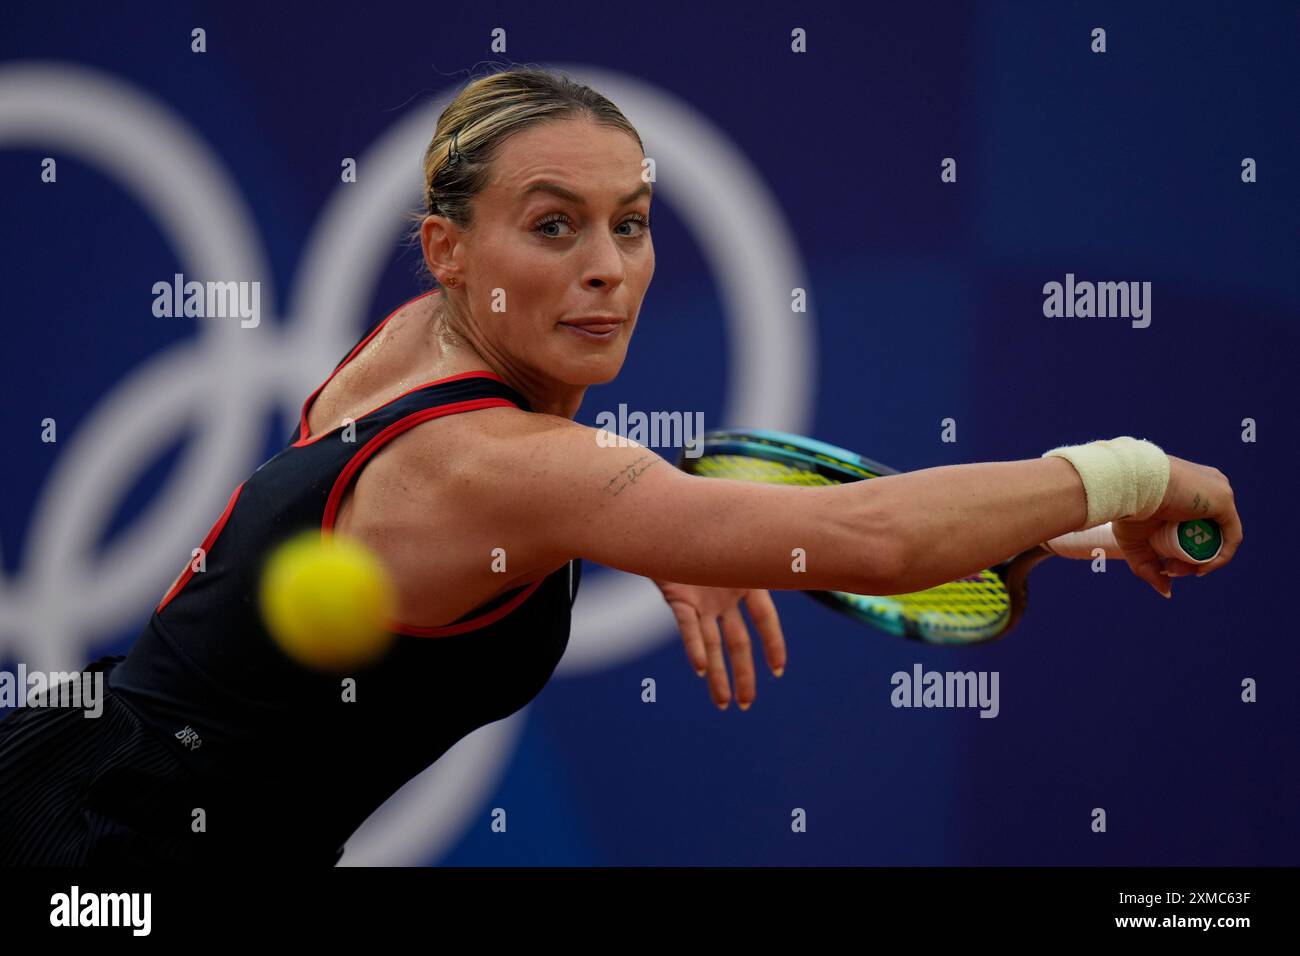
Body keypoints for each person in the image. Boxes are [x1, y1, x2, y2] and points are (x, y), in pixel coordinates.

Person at [0, 66, 1242, 866]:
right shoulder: (498, 467)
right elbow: (873, 541)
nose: (608, 266)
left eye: (631, 223)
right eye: (554, 227)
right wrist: (1129, 471)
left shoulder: (412, 348)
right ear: (445, 245)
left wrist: (653, 530)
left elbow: (585, 486)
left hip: (70, 760)